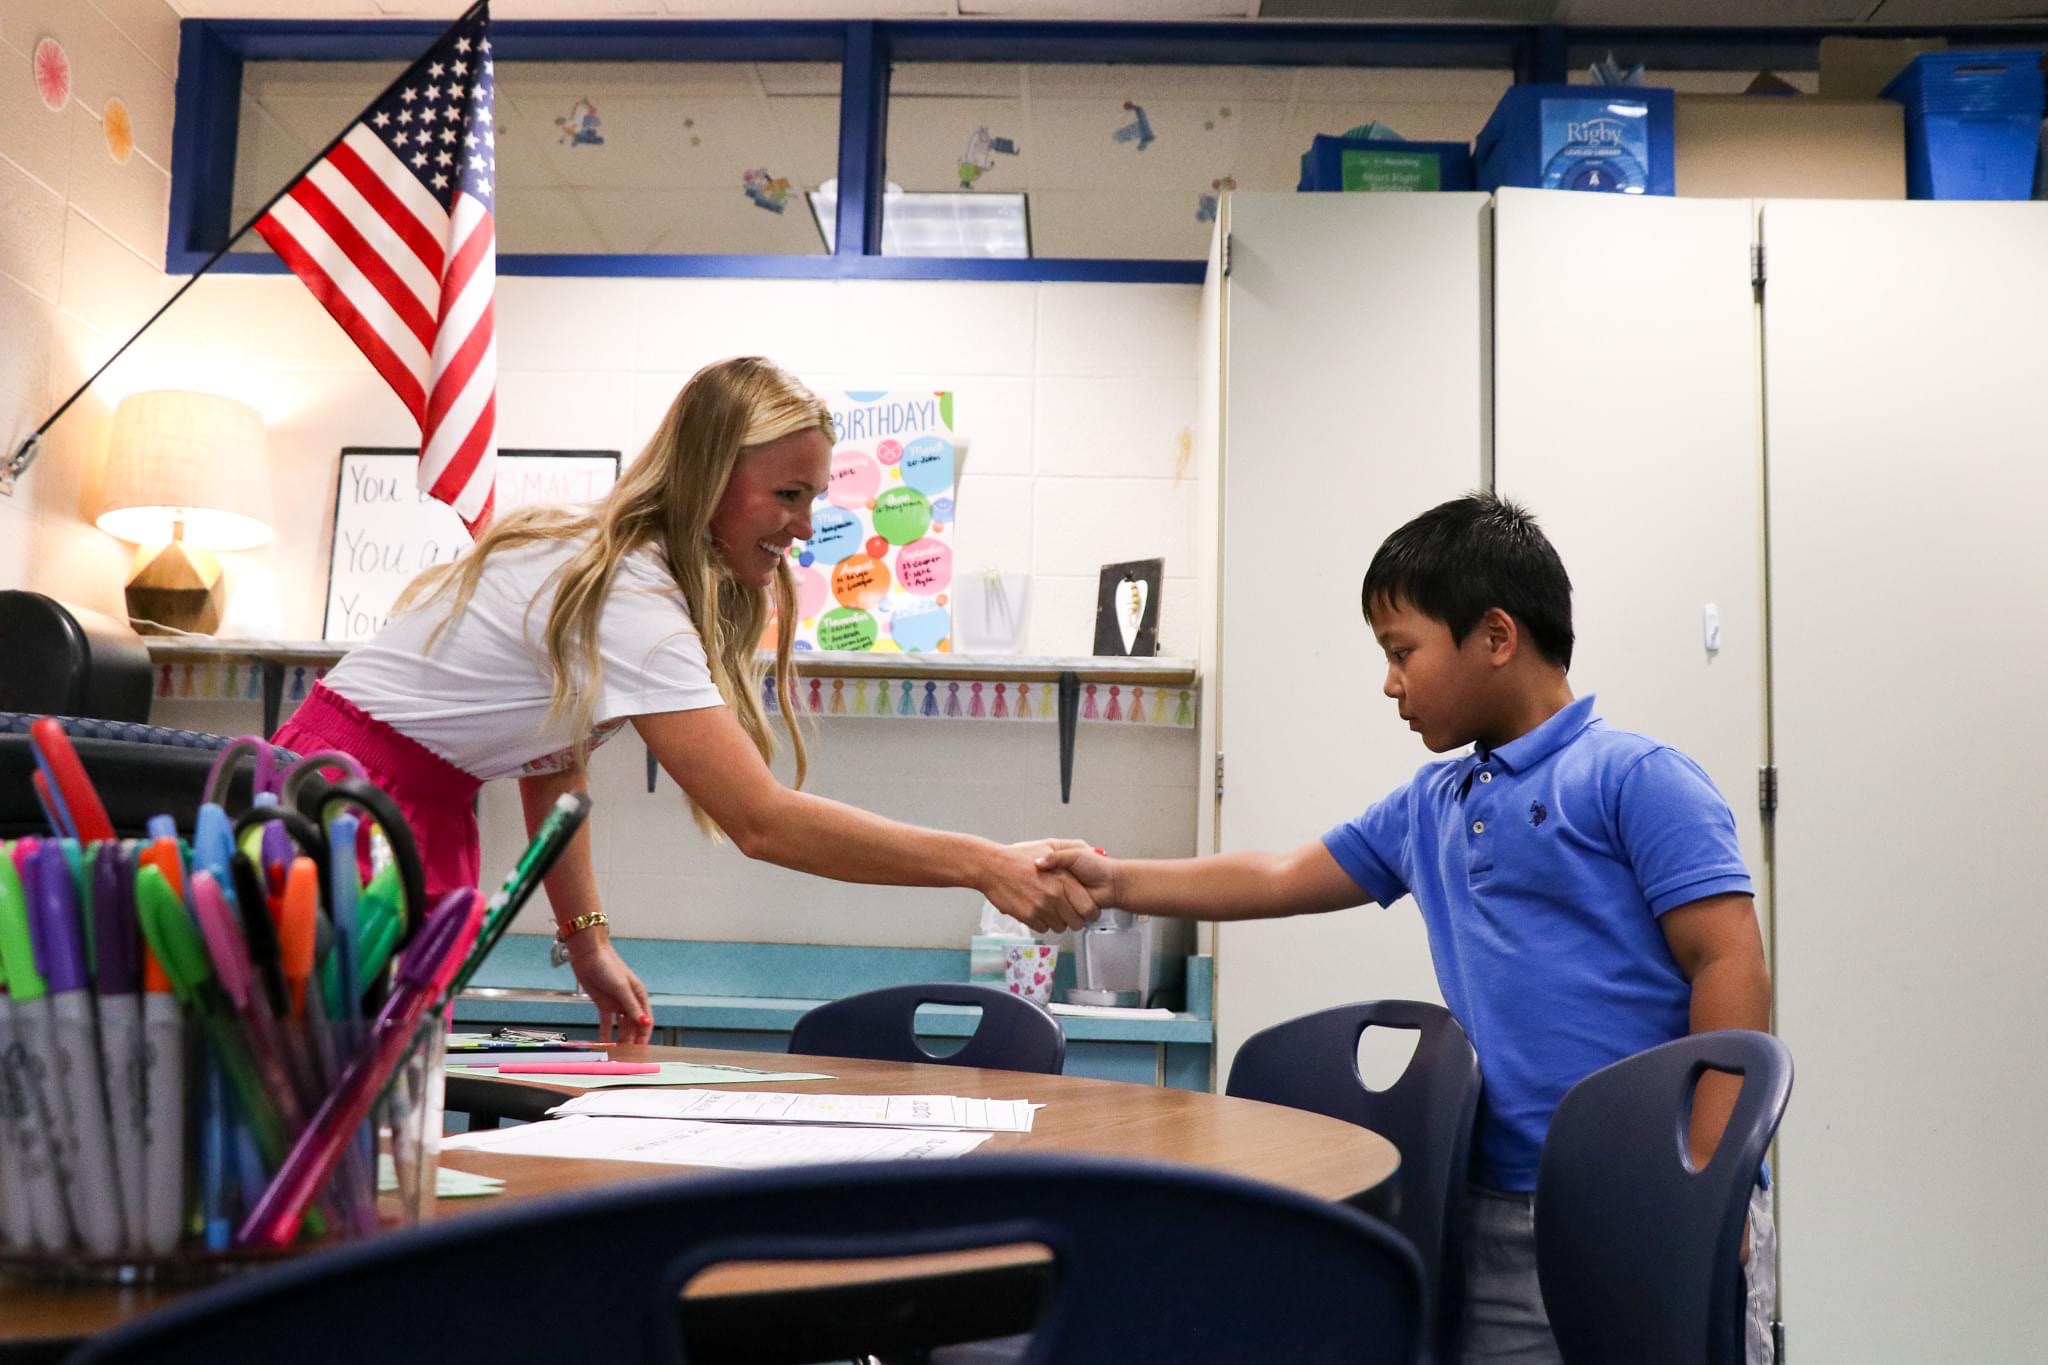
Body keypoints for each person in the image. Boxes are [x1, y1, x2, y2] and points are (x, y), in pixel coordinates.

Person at [1038, 492, 1775, 1364]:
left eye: (1401, 652)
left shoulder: (1635, 778)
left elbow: (1728, 960)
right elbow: (1280, 873)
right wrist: (1117, 880)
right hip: (1495, 1208)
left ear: (1495, 636)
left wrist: (1711, 1175)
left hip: (1651, 1194)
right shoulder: (1433, 803)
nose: (1390, 682)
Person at [275, 357, 1093, 1043]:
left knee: (372, 1099)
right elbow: (760, 820)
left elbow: (553, 768)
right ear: (709, 477)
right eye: (788, 494)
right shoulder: (631, 593)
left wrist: (587, 941)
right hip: (347, 809)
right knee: (324, 1102)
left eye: (813, 498)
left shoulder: (613, 565)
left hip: (393, 801)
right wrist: (984, 864)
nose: (806, 526)